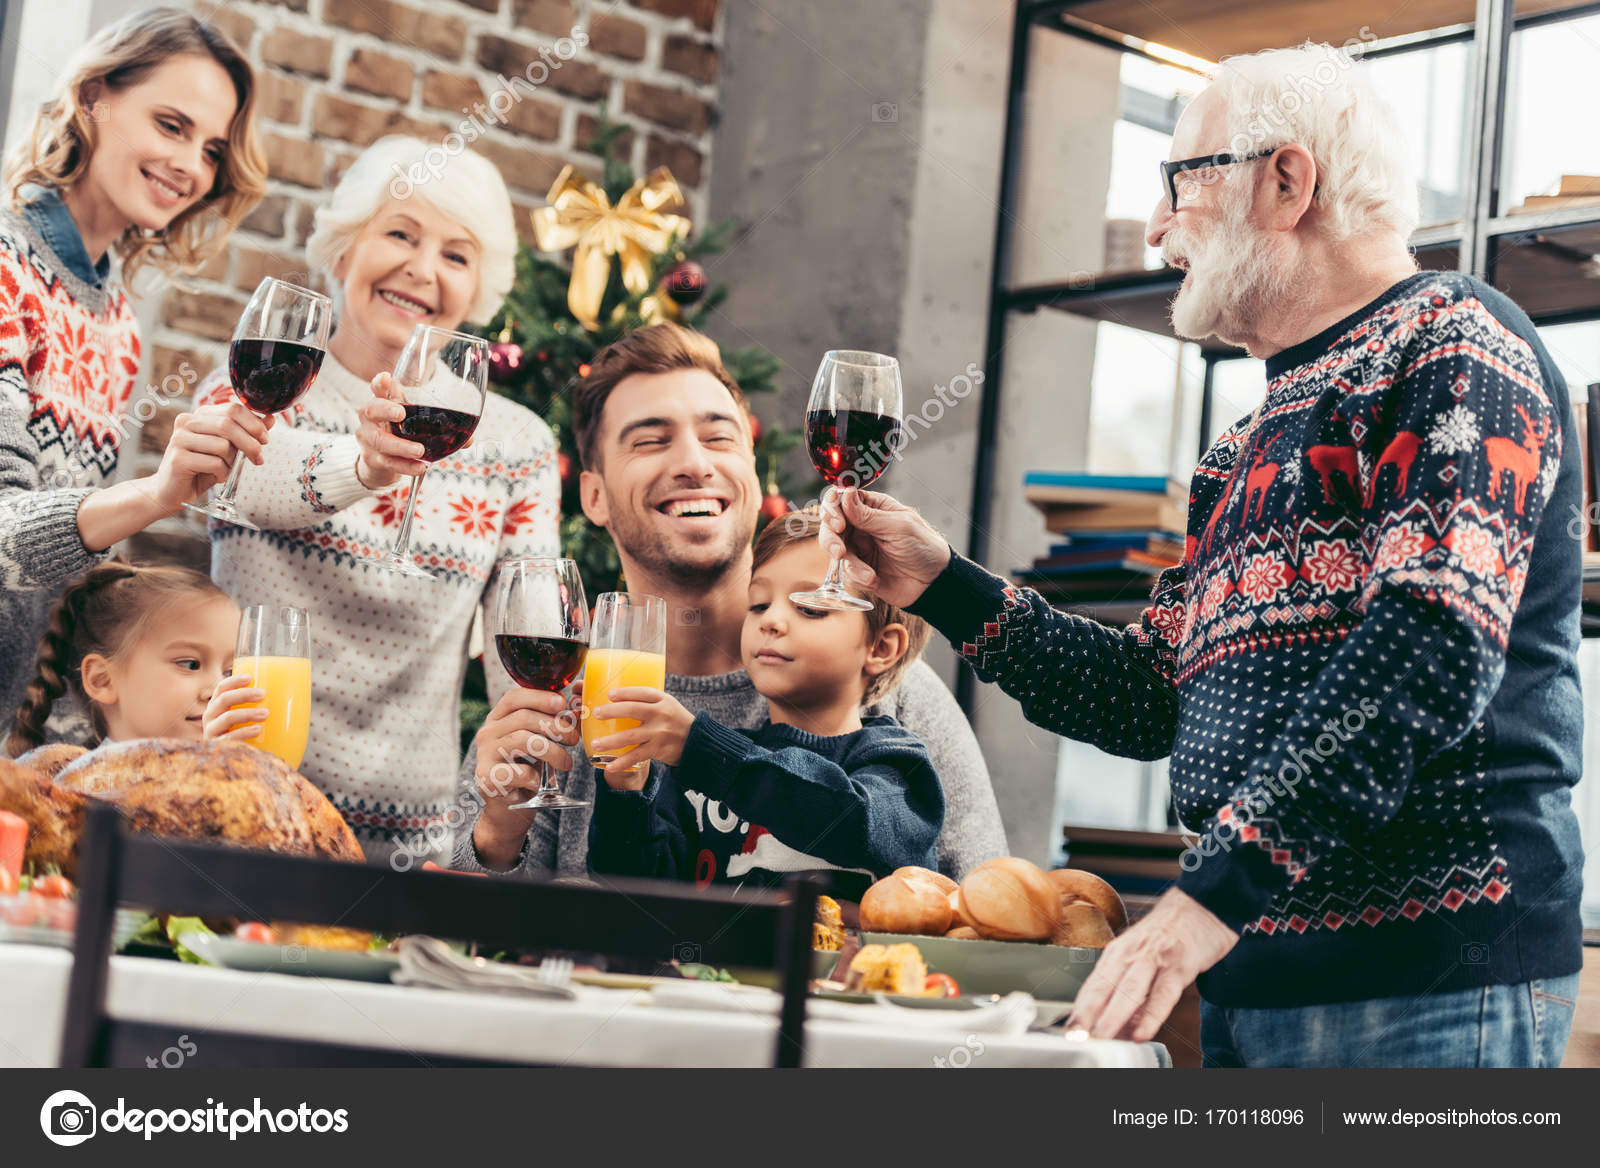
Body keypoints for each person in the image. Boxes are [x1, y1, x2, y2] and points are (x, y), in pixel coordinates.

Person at [818, 43, 1585, 1068]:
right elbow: (1145, 698)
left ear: (1285, 181)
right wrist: (938, 583)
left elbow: (1429, 642)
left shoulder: (1453, 339)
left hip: (1423, 987)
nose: (1152, 228)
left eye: (1180, 182)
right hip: (1247, 981)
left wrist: (1206, 902)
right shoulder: (1239, 450)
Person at [453, 322, 1007, 880]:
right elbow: (448, 936)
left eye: (719, 438)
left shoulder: (885, 690)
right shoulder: (562, 702)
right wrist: (496, 838)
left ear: (751, 469)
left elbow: (988, 914)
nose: (696, 463)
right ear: (593, 496)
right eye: (650, 440)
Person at [194, 136, 559, 865]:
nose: (422, 271)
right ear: (341, 250)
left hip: (413, 856)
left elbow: (527, 650)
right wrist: (363, 466)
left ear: (476, 289)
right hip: (244, 815)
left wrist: (531, 754)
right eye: (399, 233)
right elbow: (253, 486)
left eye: (456, 255)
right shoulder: (258, 383)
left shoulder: (518, 443)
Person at [0, 8, 269, 743]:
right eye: (172, 126)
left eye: (212, 149)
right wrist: (154, 495)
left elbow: (66, 571)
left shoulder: (115, 316)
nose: (191, 165)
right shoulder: (6, 265)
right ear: (94, 98)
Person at [587, 509, 942, 898]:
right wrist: (625, 791)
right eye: (757, 604)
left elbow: (849, 820)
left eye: (810, 608)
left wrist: (701, 749)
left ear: (881, 648)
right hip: (713, 962)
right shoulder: (699, 770)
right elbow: (634, 894)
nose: (770, 620)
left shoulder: (896, 766)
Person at [5, 561, 270, 754]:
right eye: (190, 664)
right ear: (102, 680)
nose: (218, 690)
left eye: (229, 672)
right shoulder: (89, 787)